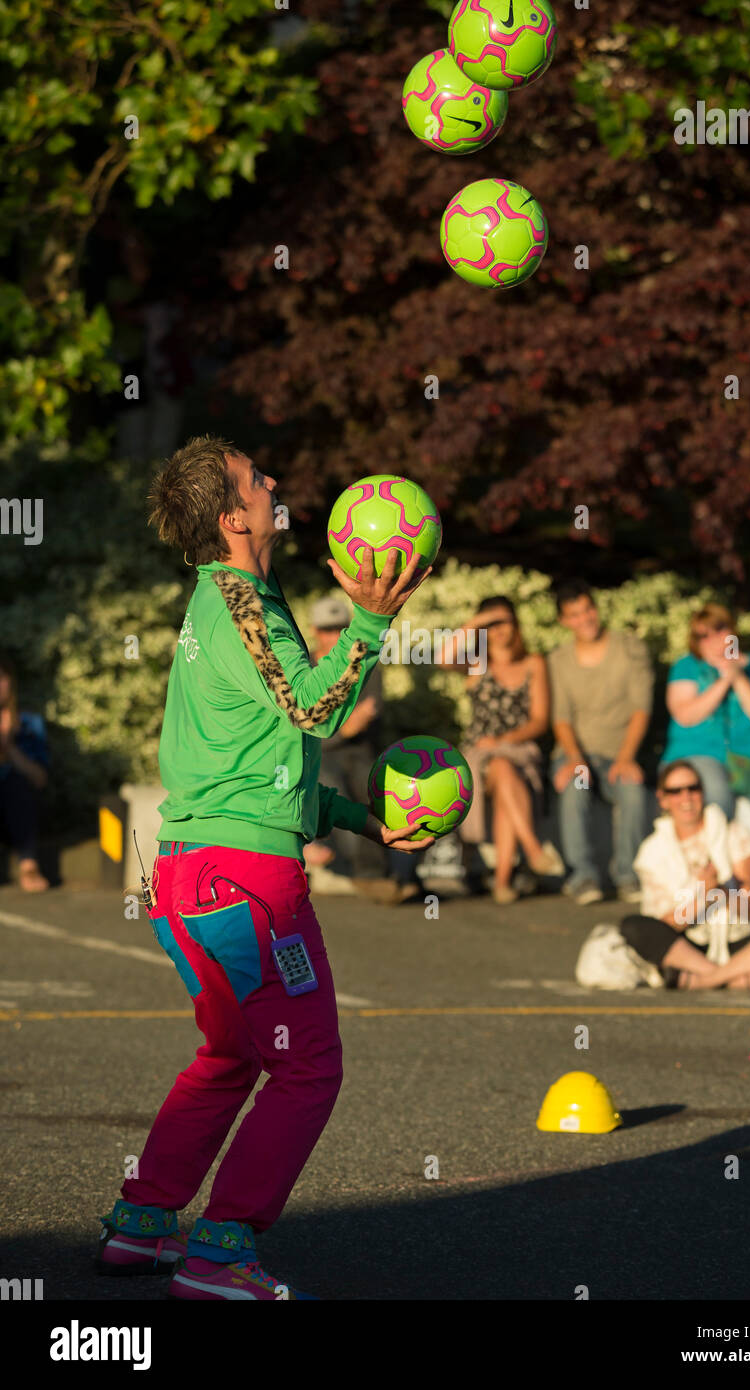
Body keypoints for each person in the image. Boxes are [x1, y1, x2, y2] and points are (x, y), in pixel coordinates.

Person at [95, 435, 432, 1300]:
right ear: (231, 517)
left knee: (231, 1053)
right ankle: (218, 1252)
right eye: (255, 477)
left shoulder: (221, 601)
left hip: (189, 877)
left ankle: (143, 1223)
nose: (275, 478)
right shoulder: (243, 603)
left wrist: (362, 818)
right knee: (309, 1064)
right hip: (242, 887)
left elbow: (261, 775)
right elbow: (316, 707)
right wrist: (370, 617)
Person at [620, 760, 750, 991]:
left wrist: (721, 892)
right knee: (632, 926)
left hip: (737, 938)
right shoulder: (651, 851)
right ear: (662, 799)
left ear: (702, 792)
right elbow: (665, 924)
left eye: (693, 788)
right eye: (676, 791)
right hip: (689, 944)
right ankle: (738, 975)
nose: (686, 797)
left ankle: (701, 980)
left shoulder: (733, 833)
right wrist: (704, 899)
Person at [436, 596, 557, 905]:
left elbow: (541, 720)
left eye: (504, 621)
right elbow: (442, 658)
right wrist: (476, 623)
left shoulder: (534, 663)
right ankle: (530, 852)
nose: (499, 629)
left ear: (516, 623)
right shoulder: (477, 662)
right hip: (479, 754)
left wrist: (505, 740)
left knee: (505, 771)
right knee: (500, 767)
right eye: (491, 623)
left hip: (519, 750)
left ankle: (502, 881)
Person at [304, 596, 419, 904]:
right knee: (335, 789)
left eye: (340, 629)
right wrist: (342, 728)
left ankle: (384, 875)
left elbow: (363, 721)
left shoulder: (366, 665)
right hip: (318, 753)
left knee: (378, 793)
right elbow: (307, 730)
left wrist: (330, 728)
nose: (333, 636)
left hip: (358, 750)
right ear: (315, 630)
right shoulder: (303, 668)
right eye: (327, 629)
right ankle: (366, 877)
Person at [548, 579, 652, 904]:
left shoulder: (630, 648)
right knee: (575, 789)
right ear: (564, 621)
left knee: (633, 791)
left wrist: (626, 757)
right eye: (575, 615)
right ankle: (583, 877)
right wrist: (575, 758)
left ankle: (627, 875)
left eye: (588, 609)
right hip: (575, 753)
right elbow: (561, 718)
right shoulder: (559, 660)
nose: (585, 619)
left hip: (620, 752)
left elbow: (641, 709)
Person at [662, 603, 750, 824]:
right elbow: (685, 715)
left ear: (731, 631)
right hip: (698, 752)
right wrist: (724, 681)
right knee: (717, 798)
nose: (712, 639)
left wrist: (738, 676)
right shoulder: (686, 666)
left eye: (719, 629)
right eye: (703, 635)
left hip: (747, 756)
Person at [0, 652, 50, 891]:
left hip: (17, 810)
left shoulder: (30, 724)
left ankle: (28, 865)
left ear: (10, 682)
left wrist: (8, 747)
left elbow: (39, 779)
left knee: (18, 783)